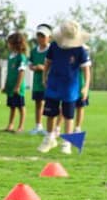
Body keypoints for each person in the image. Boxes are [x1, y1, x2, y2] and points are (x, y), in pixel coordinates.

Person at [36, 20, 91, 154]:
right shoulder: (54, 46)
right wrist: (44, 77)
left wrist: (86, 87)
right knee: (50, 113)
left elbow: (86, 70)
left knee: (68, 115)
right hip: (54, 84)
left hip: (70, 87)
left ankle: (67, 143)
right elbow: (47, 62)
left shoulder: (80, 50)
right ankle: (49, 138)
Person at [1, 32, 30, 133]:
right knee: (12, 106)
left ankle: (21, 127)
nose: (8, 45)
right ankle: (10, 125)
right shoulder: (10, 56)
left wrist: (17, 86)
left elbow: (21, 72)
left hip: (17, 87)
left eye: (9, 43)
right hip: (10, 86)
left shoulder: (21, 57)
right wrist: (5, 85)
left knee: (21, 107)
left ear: (15, 44)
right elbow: (9, 72)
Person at [27, 24, 52, 133]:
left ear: (49, 37)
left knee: (49, 105)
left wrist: (44, 68)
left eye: (43, 36)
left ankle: (50, 128)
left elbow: (54, 64)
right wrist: (34, 67)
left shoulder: (51, 49)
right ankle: (38, 126)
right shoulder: (34, 51)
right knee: (38, 103)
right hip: (37, 82)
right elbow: (30, 64)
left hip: (49, 82)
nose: (40, 38)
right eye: (39, 36)